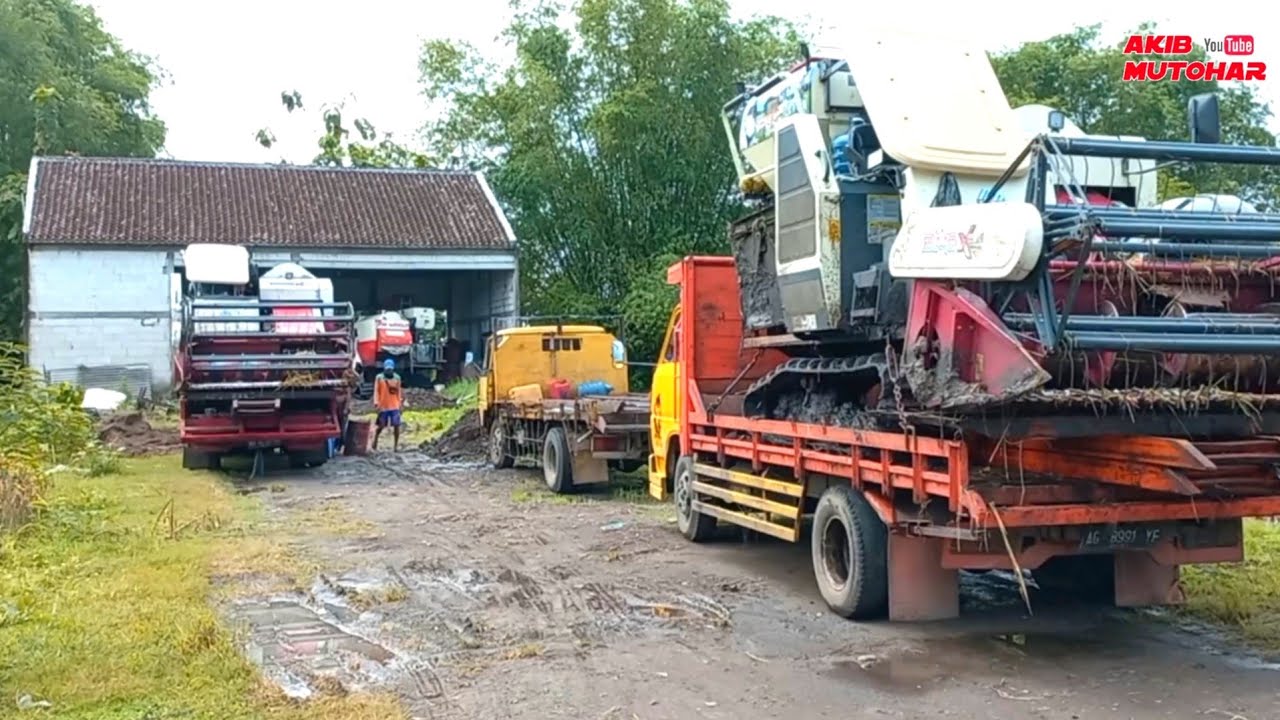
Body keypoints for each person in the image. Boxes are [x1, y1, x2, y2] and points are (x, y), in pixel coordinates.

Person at [373, 358, 405, 451]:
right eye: (387, 369)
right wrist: (376, 402)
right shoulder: (379, 378)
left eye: (390, 369)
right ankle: (375, 439)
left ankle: (395, 446)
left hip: (394, 405)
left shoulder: (397, 378)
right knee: (381, 425)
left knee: (396, 425)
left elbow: (399, 392)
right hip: (383, 406)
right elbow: (376, 391)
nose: (389, 370)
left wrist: (400, 403)